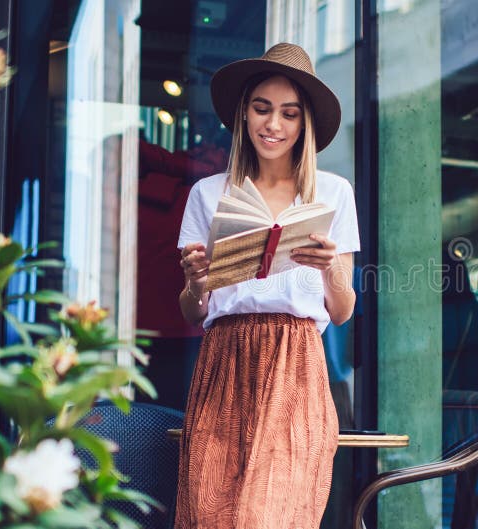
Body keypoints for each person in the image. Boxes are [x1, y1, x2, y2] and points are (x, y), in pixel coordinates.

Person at [174, 42, 359, 528]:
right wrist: (196, 283)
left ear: (305, 124)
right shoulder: (208, 193)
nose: (273, 125)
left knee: (270, 515)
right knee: (212, 513)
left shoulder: (334, 193)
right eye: (261, 108)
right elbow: (194, 311)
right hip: (223, 362)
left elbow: (341, 310)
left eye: (288, 113)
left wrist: (329, 267)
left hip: (296, 365)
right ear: (243, 114)